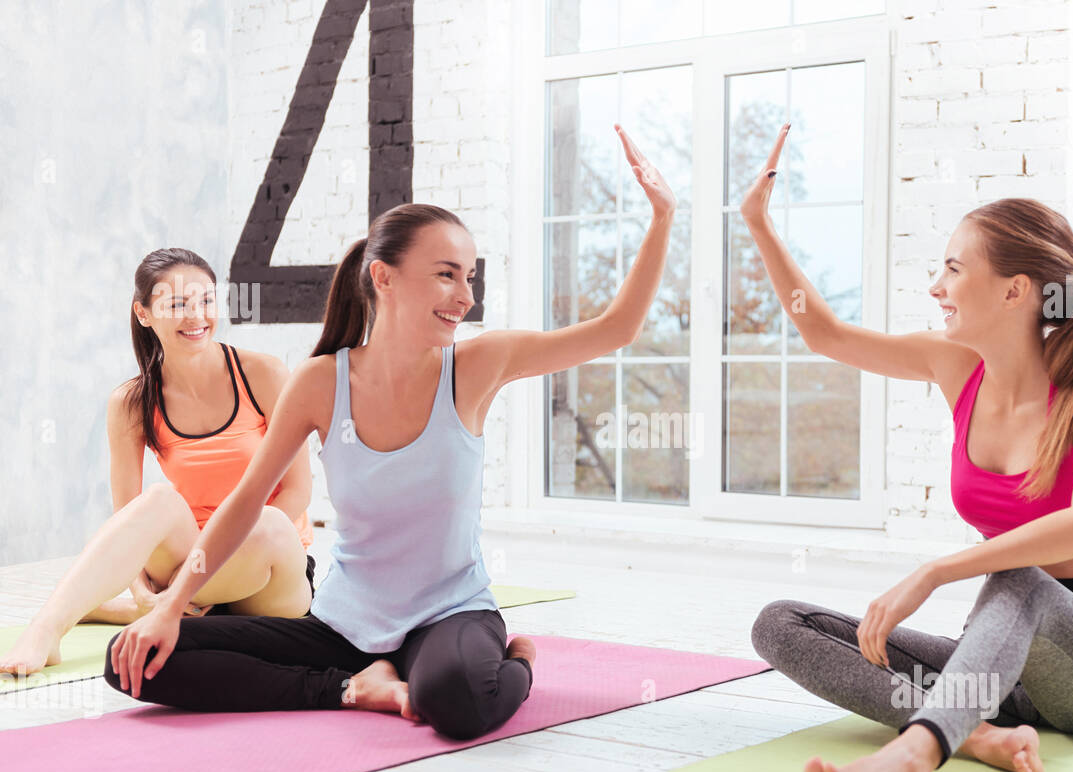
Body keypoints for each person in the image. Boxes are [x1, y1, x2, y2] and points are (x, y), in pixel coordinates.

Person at [103, 125, 676, 740]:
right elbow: (247, 501)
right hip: (345, 625)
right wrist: (169, 606)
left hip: (451, 615)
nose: (465, 296)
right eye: (446, 275)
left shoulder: (479, 366)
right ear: (384, 278)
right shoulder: (322, 381)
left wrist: (662, 215)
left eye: (470, 277)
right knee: (133, 659)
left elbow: (615, 330)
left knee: (457, 701)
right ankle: (352, 689)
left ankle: (520, 660)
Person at [743, 125, 1073, 772]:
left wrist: (936, 570)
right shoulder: (953, 366)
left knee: (1023, 576)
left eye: (955, 269)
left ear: (1014, 291)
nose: (936, 286)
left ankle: (915, 757)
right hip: (997, 669)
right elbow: (825, 334)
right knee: (783, 624)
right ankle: (983, 734)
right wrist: (758, 224)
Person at [0, 249, 314, 676]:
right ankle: (47, 629)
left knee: (268, 522)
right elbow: (127, 519)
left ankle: (147, 607)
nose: (196, 316)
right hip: (190, 561)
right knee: (159, 500)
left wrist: (177, 586)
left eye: (205, 300)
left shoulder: (263, 374)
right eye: (177, 305)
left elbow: (298, 489)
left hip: (266, 569)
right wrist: (142, 590)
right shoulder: (131, 402)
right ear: (144, 314)